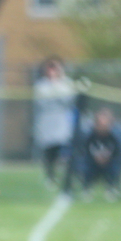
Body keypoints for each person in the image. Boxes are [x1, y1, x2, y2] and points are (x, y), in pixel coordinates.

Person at [32, 57, 77, 188]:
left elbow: (68, 100)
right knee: (49, 152)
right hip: (47, 121)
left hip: (62, 121)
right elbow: (41, 102)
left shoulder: (66, 83)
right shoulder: (41, 85)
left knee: (63, 151)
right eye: (50, 67)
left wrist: (57, 85)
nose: (52, 71)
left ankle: (68, 178)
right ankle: (50, 177)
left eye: (55, 67)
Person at [74, 106, 121, 200]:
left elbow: (120, 152)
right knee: (83, 164)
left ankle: (112, 187)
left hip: (109, 163)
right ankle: (86, 188)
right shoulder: (90, 135)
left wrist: (107, 158)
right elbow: (83, 150)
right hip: (93, 162)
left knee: (116, 166)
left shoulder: (115, 136)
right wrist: (96, 158)